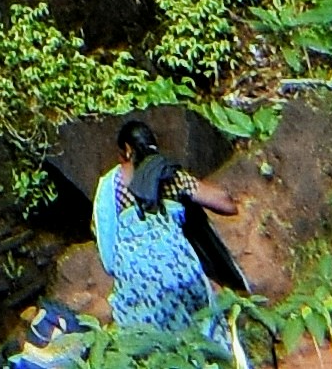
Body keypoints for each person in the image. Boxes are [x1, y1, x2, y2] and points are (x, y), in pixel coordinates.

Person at [92, 128, 237, 343]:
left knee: (145, 350)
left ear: (127, 151)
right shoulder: (170, 174)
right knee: (203, 341)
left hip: (139, 286)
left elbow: (109, 258)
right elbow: (226, 205)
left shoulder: (110, 186)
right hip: (182, 275)